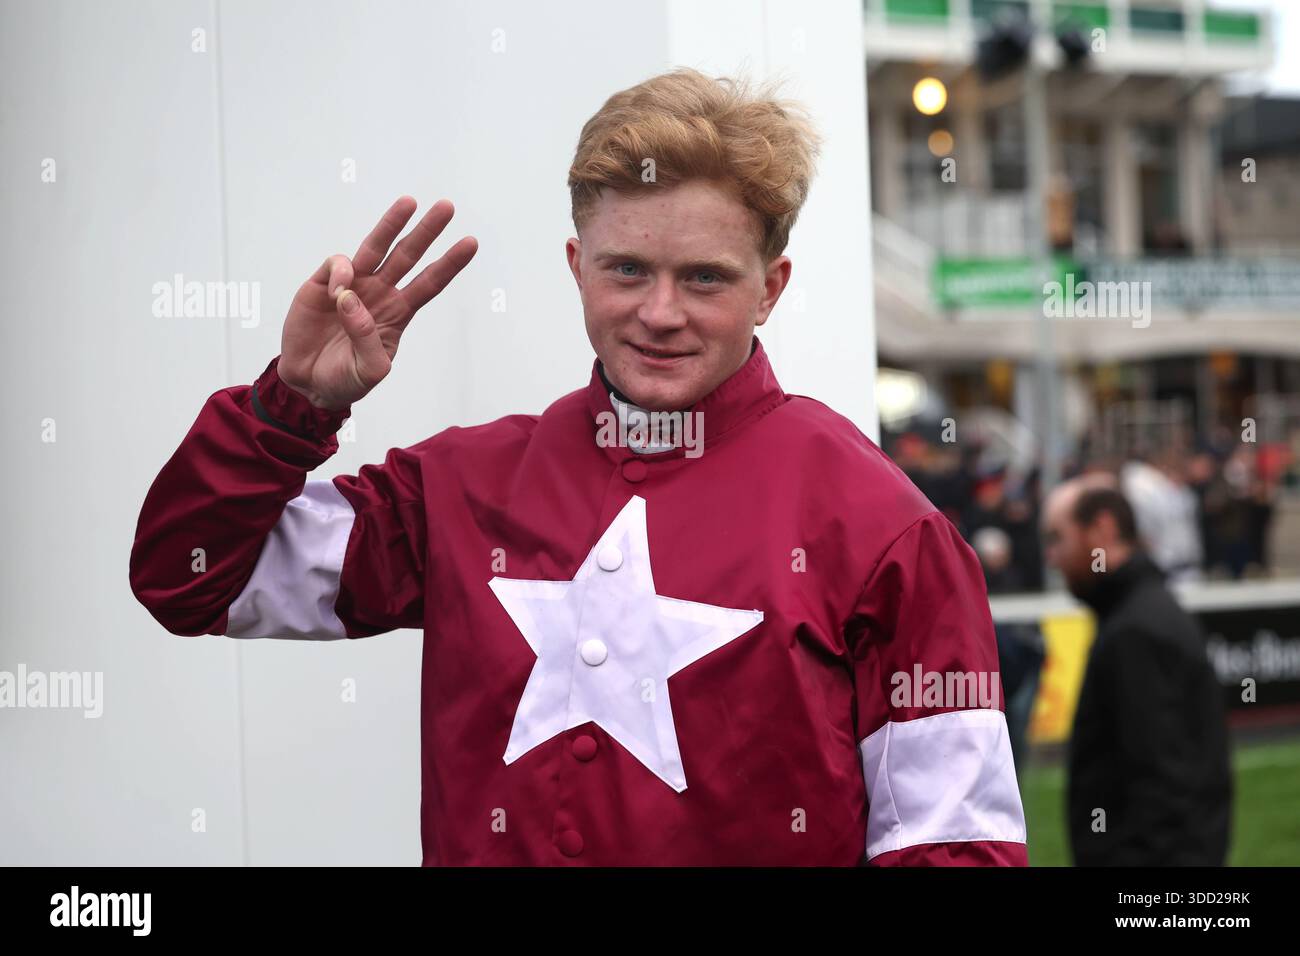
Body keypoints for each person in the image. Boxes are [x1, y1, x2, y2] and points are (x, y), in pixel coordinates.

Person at [130, 68, 1026, 866]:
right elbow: (192, 581)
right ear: (576, 266)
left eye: (705, 278)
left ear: (772, 287)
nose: (660, 313)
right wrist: (294, 405)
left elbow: (954, 848)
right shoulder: (460, 486)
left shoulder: (886, 527)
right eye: (627, 269)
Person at [1042, 478, 1231, 866]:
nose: (1052, 557)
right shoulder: (1134, 615)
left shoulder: (1136, 630)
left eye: (1058, 537)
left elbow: (1163, 788)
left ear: (1103, 529)